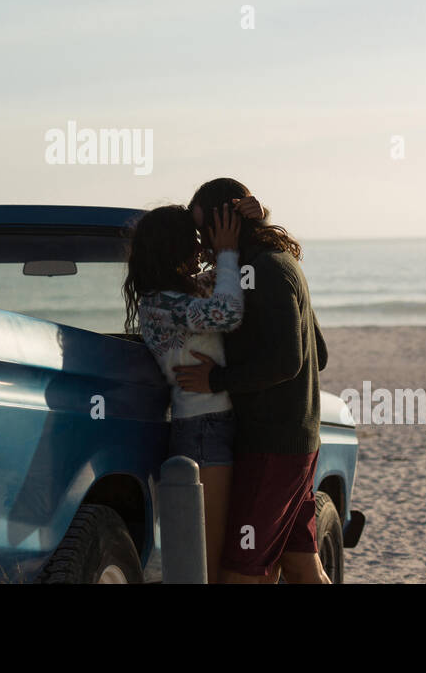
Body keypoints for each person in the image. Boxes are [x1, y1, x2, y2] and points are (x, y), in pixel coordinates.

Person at [174, 178, 331, 584]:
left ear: (226, 220)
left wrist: (217, 379)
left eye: (202, 229)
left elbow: (288, 360)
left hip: (272, 448)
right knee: (301, 566)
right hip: (296, 444)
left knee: (239, 572)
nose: (200, 242)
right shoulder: (277, 261)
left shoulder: (264, 270)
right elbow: (320, 353)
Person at [123, 203, 243, 583]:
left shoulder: (174, 297)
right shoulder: (165, 304)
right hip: (204, 429)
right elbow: (228, 311)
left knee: (212, 554)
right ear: (176, 248)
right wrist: (224, 252)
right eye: (192, 241)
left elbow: (220, 285)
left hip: (206, 426)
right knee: (204, 562)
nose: (198, 248)